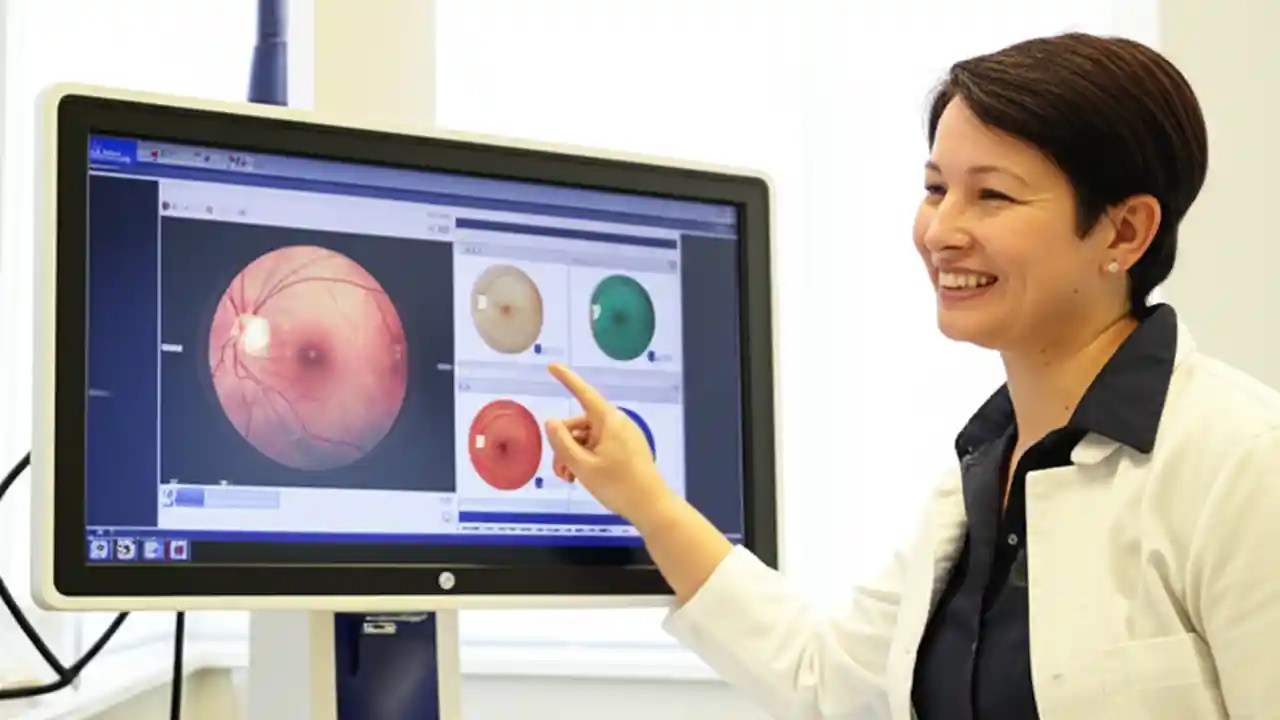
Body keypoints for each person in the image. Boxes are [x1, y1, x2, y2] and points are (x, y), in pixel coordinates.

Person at [543, 32, 1280, 720]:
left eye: (991, 195)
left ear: (1124, 232)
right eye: (936, 189)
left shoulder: (1242, 462)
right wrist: (640, 494)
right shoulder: (981, 480)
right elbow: (824, 677)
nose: (941, 230)